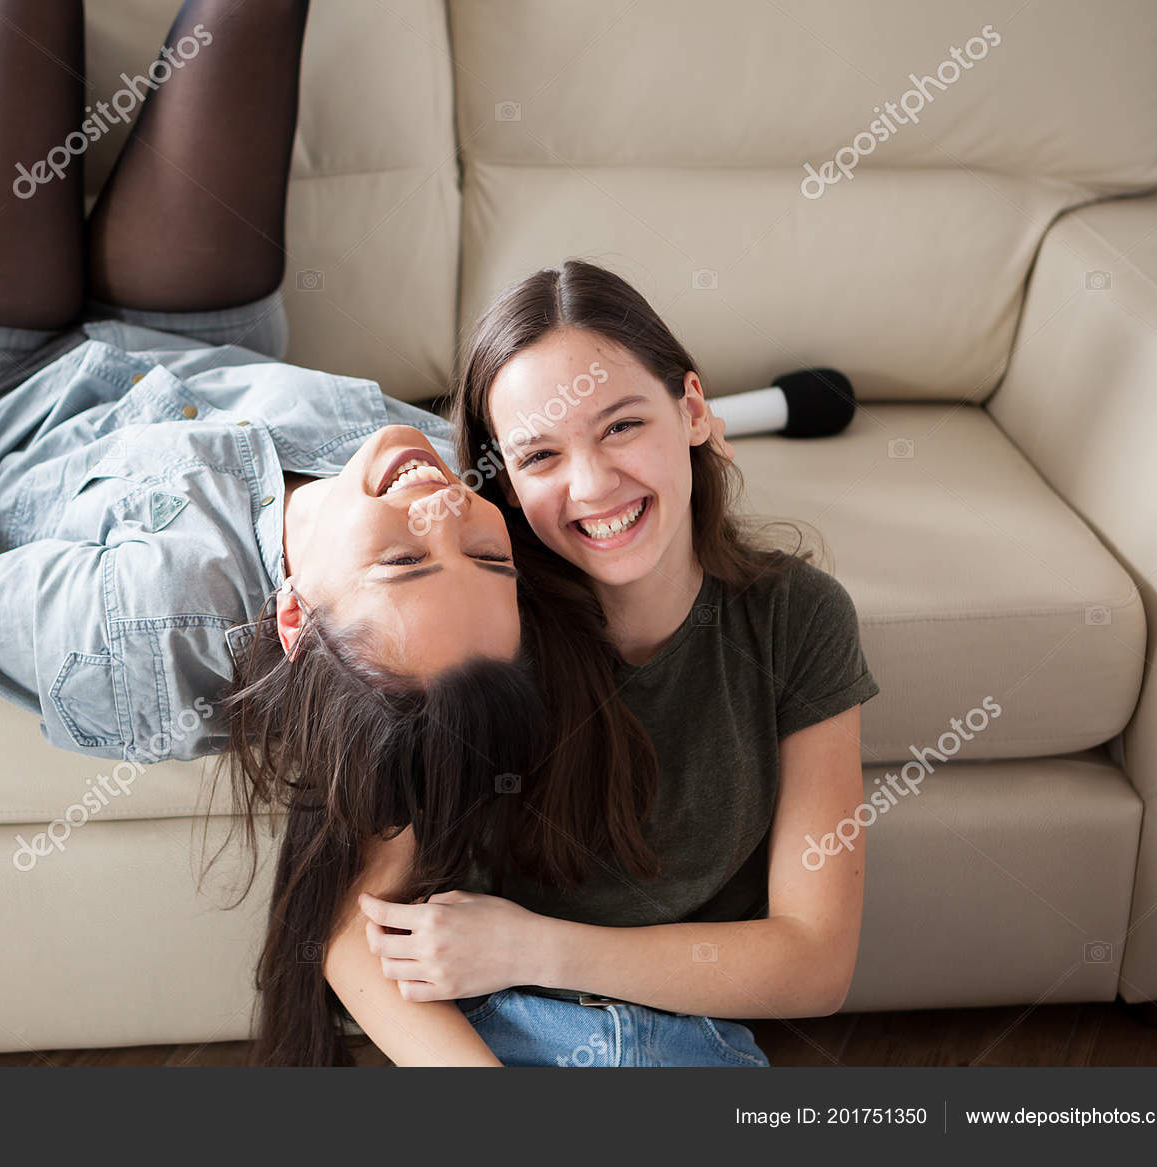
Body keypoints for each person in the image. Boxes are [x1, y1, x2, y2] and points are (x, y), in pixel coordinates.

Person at [0, 0, 557, 1066]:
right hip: (185, 338)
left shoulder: (137, 641)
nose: (446, 505)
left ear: (294, 615)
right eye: (486, 553)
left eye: (402, 555)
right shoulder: (435, 472)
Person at [331, 259, 881, 1067]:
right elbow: (350, 929)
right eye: (541, 455)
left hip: (681, 1030)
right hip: (482, 1034)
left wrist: (535, 948)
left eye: (622, 425)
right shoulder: (475, 622)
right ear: (507, 484)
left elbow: (815, 961)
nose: (593, 484)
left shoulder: (798, 619)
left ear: (692, 410)